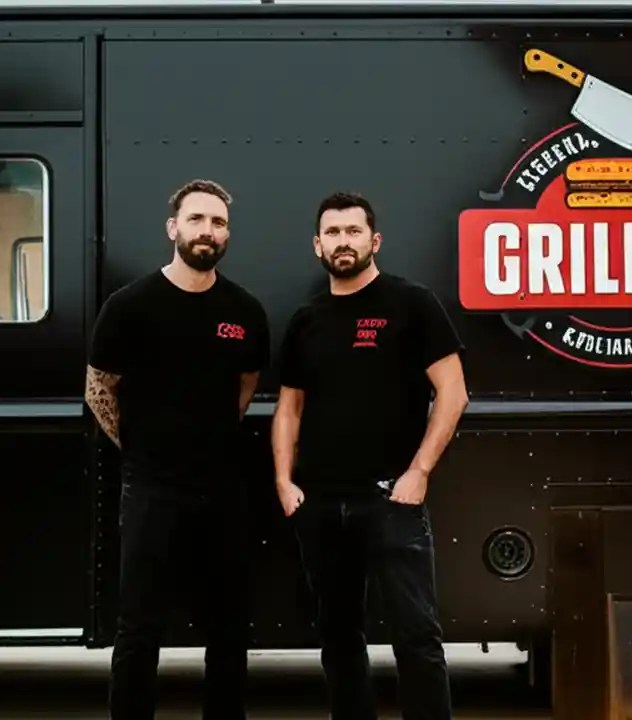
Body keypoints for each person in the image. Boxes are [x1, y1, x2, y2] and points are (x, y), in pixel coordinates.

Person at [271, 191, 469, 719]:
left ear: (374, 240)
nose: (343, 242)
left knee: (416, 637)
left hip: (390, 501)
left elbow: (453, 392)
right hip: (319, 504)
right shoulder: (307, 319)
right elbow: (288, 408)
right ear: (318, 245)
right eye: (332, 233)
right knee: (338, 639)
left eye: (353, 232)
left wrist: (419, 471)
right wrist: (285, 483)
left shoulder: (412, 304)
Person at [84, 179, 269, 720]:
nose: (207, 231)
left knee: (229, 626)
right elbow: (99, 389)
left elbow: (245, 387)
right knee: (139, 627)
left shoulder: (244, 310)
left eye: (217, 222)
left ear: (227, 234)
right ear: (174, 228)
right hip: (151, 487)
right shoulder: (130, 306)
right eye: (196, 219)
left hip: (223, 489)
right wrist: (142, 445)